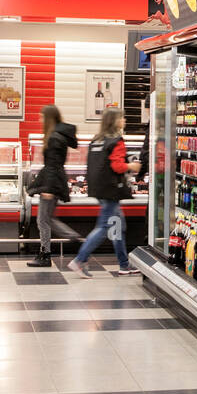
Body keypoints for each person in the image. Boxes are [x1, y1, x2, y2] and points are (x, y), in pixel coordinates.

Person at [67, 107, 139, 277]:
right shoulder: (117, 141)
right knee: (104, 226)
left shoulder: (96, 140)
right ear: (114, 121)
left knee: (118, 226)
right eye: (122, 118)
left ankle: (124, 265)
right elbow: (117, 166)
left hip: (98, 189)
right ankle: (80, 259)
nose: (124, 121)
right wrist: (131, 166)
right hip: (112, 190)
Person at [26, 105, 80, 267]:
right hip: (54, 180)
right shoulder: (58, 135)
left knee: (43, 220)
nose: (40, 119)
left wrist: (48, 188)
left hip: (51, 182)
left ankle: (47, 254)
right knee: (47, 219)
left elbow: (53, 165)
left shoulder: (54, 138)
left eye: (42, 117)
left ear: (48, 118)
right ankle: (70, 239)